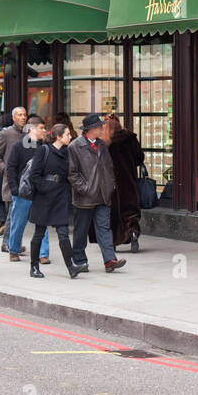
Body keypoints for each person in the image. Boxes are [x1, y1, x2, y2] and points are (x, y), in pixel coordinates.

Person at [68, 113, 124, 273]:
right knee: (81, 230)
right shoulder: (74, 146)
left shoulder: (102, 145)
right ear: (91, 129)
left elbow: (109, 167)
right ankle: (79, 261)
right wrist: (85, 189)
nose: (102, 128)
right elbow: (72, 174)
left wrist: (110, 185)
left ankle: (110, 260)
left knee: (104, 228)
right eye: (99, 126)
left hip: (103, 194)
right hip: (85, 197)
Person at [24, 124, 82, 279]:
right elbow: (34, 175)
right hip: (44, 197)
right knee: (39, 233)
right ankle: (34, 267)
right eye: (67, 134)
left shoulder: (67, 152)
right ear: (58, 136)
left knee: (63, 232)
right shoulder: (44, 150)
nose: (70, 137)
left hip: (61, 196)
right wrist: (46, 188)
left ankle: (71, 266)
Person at [5, 118, 50, 263]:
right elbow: (11, 168)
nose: (44, 131)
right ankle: (14, 250)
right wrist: (14, 188)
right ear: (31, 129)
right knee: (18, 223)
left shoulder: (45, 147)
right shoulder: (19, 146)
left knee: (42, 223)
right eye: (41, 128)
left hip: (40, 191)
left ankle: (43, 254)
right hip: (22, 192)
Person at [105, 114, 145, 252]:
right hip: (129, 181)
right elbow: (139, 158)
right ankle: (133, 233)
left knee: (113, 213)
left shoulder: (106, 141)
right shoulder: (130, 138)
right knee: (130, 211)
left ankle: (114, 241)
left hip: (111, 183)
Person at [0, 107, 29, 242]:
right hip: (12, 179)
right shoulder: (6, 133)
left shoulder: (28, 132)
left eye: (24, 115)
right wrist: (5, 169)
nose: (23, 117)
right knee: (14, 211)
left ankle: (12, 243)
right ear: (13, 118)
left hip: (27, 179)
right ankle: (7, 242)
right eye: (20, 115)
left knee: (19, 214)